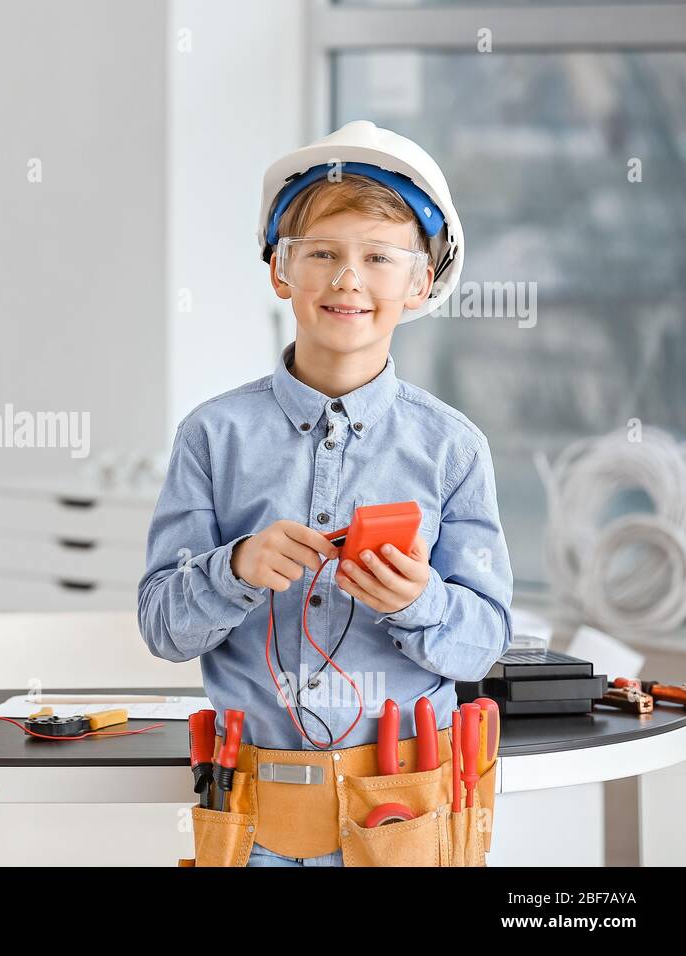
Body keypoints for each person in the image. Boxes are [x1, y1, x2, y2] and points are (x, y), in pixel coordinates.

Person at [138, 121, 513, 867]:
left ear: (420, 283)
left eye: (378, 257)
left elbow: (487, 637)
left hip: (402, 803)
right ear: (282, 272)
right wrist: (235, 568)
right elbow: (161, 627)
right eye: (322, 254)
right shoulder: (213, 436)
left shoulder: (453, 448)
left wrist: (419, 603)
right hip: (253, 811)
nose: (348, 279)